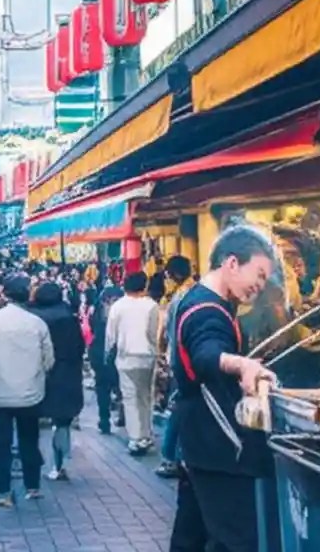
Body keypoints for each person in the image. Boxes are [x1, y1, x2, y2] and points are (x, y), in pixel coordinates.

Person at [169, 226, 278, 552]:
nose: (259, 286)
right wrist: (241, 365)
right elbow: (205, 355)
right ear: (232, 263)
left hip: (198, 441)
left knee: (190, 537)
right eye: (257, 274)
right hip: (219, 447)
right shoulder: (208, 310)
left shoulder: (192, 298)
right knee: (238, 540)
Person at [0, 274, 54, 506]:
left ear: (5, 294)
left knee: (0, 444)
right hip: (31, 394)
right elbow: (49, 359)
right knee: (30, 439)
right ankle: (33, 485)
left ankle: (1, 491)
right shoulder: (37, 323)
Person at [29, 282, 85, 481]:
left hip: (40, 374)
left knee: (31, 421)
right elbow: (79, 346)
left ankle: (35, 461)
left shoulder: (34, 317)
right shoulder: (68, 316)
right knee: (62, 421)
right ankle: (59, 464)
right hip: (67, 374)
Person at [105, 271, 159, 456]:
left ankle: (135, 438)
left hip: (125, 357)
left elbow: (110, 334)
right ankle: (146, 435)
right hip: (147, 357)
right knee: (146, 397)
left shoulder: (117, 306)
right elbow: (154, 334)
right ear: (144, 286)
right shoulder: (152, 306)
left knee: (130, 398)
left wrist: (107, 353)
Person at [156, 255, 194, 479]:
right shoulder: (195, 293)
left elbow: (168, 333)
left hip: (180, 362)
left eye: (168, 276)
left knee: (176, 410)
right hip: (187, 361)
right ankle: (177, 456)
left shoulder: (179, 298)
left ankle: (170, 457)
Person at [90, 285, 124, 435]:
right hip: (106, 356)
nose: (110, 305)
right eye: (109, 301)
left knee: (108, 389)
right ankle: (105, 419)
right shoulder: (120, 315)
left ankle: (109, 418)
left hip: (107, 356)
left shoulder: (97, 314)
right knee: (109, 389)